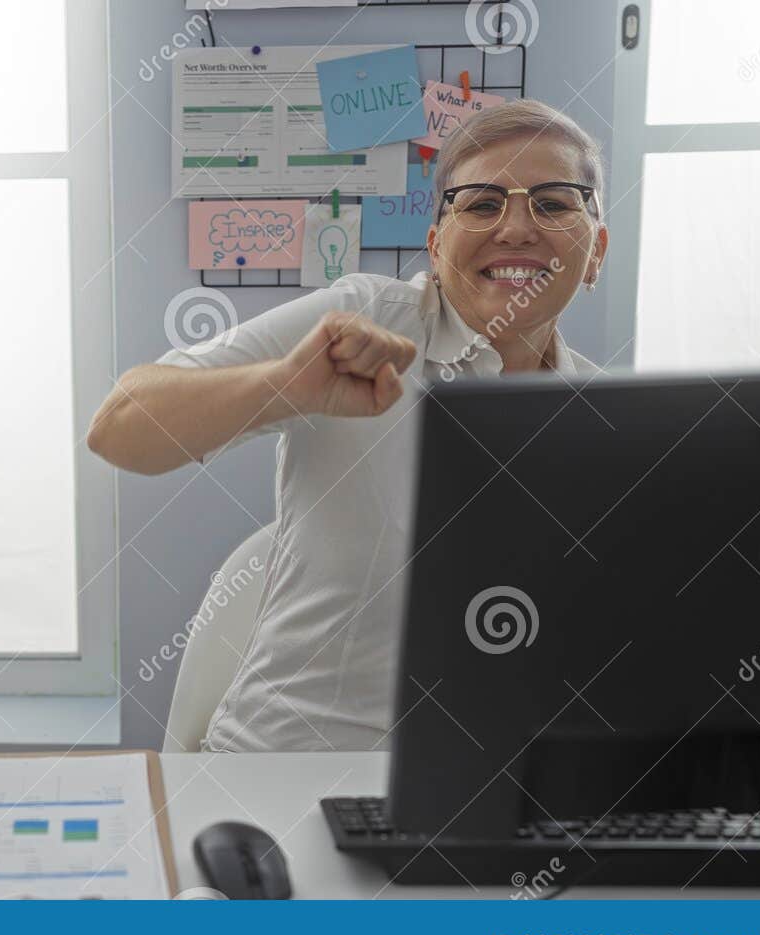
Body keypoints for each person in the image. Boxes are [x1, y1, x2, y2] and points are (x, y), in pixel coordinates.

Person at [87, 99, 609, 751]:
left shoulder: (603, 419)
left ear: (596, 252)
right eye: (481, 203)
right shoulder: (362, 317)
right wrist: (284, 386)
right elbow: (120, 427)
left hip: (488, 781)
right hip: (289, 764)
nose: (516, 228)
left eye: (555, 203)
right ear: (436, 244)